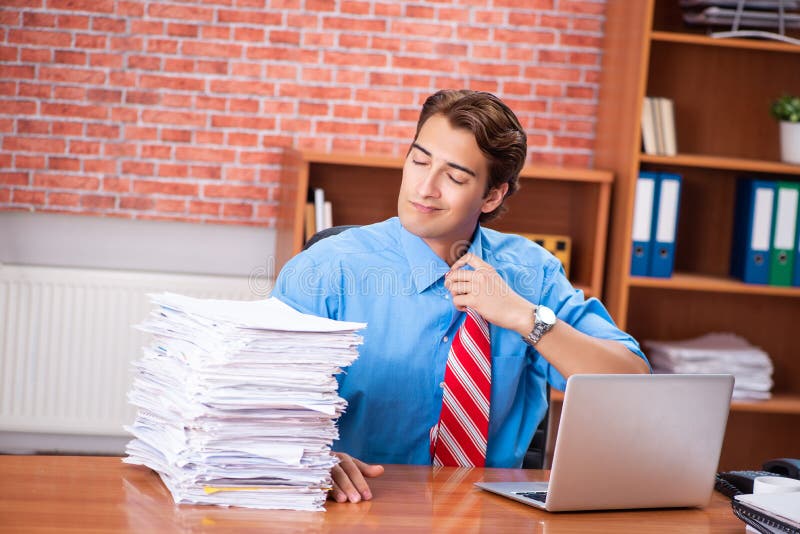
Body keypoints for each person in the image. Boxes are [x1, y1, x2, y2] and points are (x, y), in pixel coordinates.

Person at [272, 89, 650, 504]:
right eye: (418, 161)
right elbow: (256, 409)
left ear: (492, 196)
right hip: (359, 503)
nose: (426, 187)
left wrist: (527, 319)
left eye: (454, 177)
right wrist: (313, 459)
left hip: (490, 512)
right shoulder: (327, 269)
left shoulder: (532, 273)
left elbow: (630, 383)